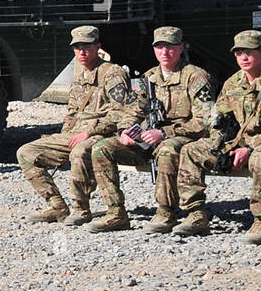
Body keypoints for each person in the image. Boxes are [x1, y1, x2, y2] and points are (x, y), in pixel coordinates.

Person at [88, 27, 214, 233]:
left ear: (181, 47)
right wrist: (125, 130)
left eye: (171, 46)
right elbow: (132, 109)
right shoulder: (149, 78)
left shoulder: (196, 77)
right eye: (159, 46)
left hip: (184, 138)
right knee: (102, 148)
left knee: (167, 148)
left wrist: (165, 133)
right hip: (150, 138)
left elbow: (205, 121)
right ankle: (115, 213)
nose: (165, 52)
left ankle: (166, 212)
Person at [16, 26, 132, 226]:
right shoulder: (80, 73)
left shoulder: (113, 73)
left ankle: (81, 208)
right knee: (27, 152)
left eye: (87, 47)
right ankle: (57, 206)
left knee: (80, 151)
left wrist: (89, 131)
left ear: (98, 47)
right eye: (77, 47)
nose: (82, 52)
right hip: (77, 133)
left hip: (102, 133)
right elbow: (72, 111)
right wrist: (64, 136)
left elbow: (121, 113)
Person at [174, 30, 261, 240]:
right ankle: (196, 215)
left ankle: (260, 220)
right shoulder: (233, 83)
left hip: (256, 146)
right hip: (237, 144)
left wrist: (250, 149)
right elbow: (218, 118)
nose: (244, 57)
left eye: (249, 52)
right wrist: (222, 143)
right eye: (239, 53)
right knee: (191, 150)